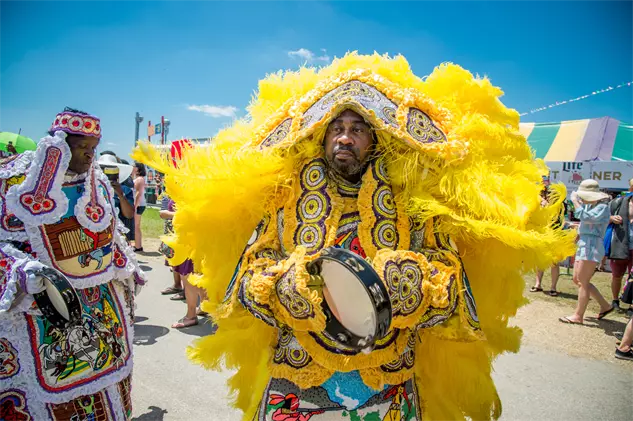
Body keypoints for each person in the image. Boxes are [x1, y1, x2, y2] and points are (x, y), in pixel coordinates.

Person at [134, 53, 574, 419]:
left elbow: (452, 287)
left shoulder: (409, 204)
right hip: (299, 377)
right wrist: (284, 285)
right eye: (336, 128)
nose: (345, 137)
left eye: (358, 129)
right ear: (322, 138)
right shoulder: (286, 200)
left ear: (376, 140)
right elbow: (246, 280)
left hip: (387, 382)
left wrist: (408, 284)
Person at [0, 107, 145, 420]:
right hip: (40, 313)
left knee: (107, 389)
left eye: (93, 149)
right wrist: (21, 271)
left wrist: (128, 268)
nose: (89, 157)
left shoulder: (100, 186)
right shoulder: (13, 185)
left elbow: (110, 239)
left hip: (104, 317)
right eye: (82, 148)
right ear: (58, 146)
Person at [560, 179, 614, 325]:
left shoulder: (602, 207)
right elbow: (584, 223)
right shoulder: (590, 205)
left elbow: (586, 218)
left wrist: (575, 202)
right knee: (577, 279)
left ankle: (578, 315)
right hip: (585, 243)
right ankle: (605, 305)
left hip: (592, 245)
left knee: (583, 282)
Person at [532, 185, 568, 296]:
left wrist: (546, 207)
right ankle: (538, 284)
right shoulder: (543, 204)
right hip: (543, 235)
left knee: (554, 263)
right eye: (548, 193)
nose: (548, 196)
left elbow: (555, 218)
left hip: (555, 236)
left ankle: (553, 287)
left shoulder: (561, 206)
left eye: (550, 194)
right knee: (539, 261)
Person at [607, 179, 633, 312]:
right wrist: (611, 218)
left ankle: (631, 304)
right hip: (620, 243)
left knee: (632, 277)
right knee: (617, 275)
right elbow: (603, 216)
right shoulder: (619, 202)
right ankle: (615, 300)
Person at [132, 162, 147, 252]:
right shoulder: (138, 178)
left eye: (134, 166)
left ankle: (138, 246)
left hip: (138, 204)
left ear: (138, 168)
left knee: (136, 226)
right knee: (136, 226)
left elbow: (138, 193)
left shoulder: (140, 179)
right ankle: (137, 245)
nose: (132, 168)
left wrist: (135, 205)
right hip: (139, 204)